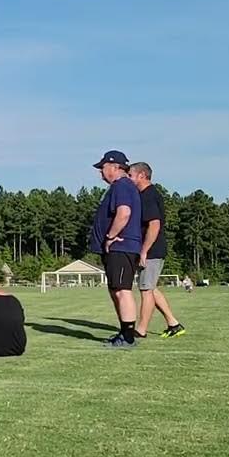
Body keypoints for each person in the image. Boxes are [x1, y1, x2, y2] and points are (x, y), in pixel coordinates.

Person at [89, 150, 143, 349]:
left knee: (122, 290)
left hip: (122, 245)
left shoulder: (122, 186)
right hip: (118, 247)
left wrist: (111, 237)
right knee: (115, 290)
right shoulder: (120, 187)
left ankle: (128, 337)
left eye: (102, 168)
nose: (101, 173)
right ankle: (123, 332)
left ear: (114, 167)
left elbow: (124, 213)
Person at [129, 162, 188, 339]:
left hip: (152, 250)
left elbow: (154, 224)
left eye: (131, 175)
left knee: (146, 289)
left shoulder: (148, 195)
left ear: (142, 175)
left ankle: (141, 330)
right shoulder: (145, 195)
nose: (129, 179)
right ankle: (173, 324)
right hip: (151, 249)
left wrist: (144, 250)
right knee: (151, 288)